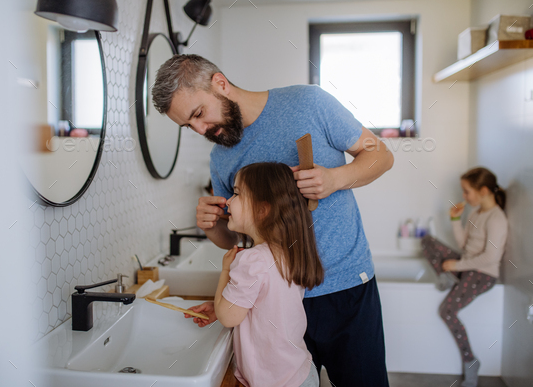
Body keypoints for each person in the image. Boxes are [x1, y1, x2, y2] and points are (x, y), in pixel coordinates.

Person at [152, 54, 394, 386]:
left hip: (345, 288)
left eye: (198, 114)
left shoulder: (309, 103)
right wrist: (212, 226)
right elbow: (236, 237)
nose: (200, 130)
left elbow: (381, 154)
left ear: (220, 84)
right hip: (274, 306)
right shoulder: (221, 158)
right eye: (188, 126)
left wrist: (337, 179)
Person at [186, 162, 324, 387]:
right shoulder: (288, 251)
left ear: (262, 210)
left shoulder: (252, 260)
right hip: (301, 374)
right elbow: (262, 303)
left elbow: (228, 317)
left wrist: (225, 271)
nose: (228, 201)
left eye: (237, 193)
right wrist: (224, 302)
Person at [421, 167, 508, 387]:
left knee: (447, 311)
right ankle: (446, 277)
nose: (464, 197)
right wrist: (455, 220)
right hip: (467, 266)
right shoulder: (476, 213)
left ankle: (470, 361)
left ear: (484, 191)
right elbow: (464, 246)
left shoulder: (497, 219)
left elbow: (490, 257)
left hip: (483, 274)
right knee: (427, 240)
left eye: (467, 192)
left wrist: (457, 264)